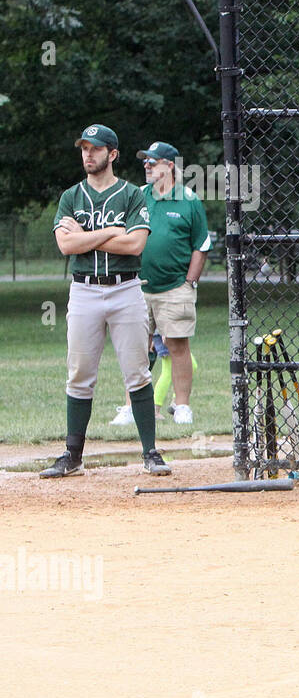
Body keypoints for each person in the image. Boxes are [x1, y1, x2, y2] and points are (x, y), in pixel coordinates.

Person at [41, 124, 170, 478]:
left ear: (112, 154)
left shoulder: (131, 195)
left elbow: (135, 245)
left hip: (125, 288)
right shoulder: (71, 196)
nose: (88, 154)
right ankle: (73, 455)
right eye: (84, 148)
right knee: (80, 373)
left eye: (96, 149)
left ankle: (151, 453)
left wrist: (85, 236)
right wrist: (109, 232)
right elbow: (66, 246)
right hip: (83, 290)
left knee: (137, 371)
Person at [133, 141, 208, 426]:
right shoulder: (138, 196)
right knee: (136, 349)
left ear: (171, 166)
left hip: (176, 286)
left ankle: (183, 406)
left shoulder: (189, 199)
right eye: (146, 161)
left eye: (153, 161)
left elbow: (201, 245)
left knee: (177, 346)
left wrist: (189, 282)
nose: (147, 166)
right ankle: (132, 408)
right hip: (138, 287)